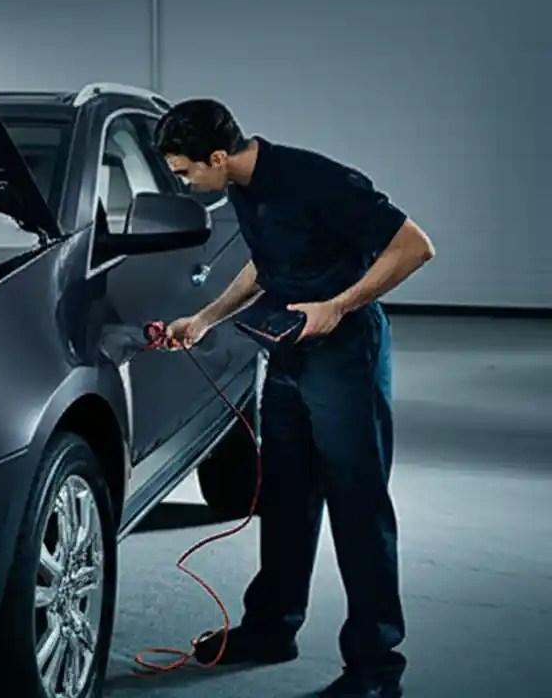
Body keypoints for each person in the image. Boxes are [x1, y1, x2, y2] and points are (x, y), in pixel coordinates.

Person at [154, 99, 435, 698]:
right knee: (283, 497)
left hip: (344, 352)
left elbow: (414, 246)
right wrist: (205, 317)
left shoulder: (317, 180)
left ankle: (376, 667)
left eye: (184, 173)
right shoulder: (244, 189)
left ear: (218, 156)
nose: (183, 184)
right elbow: (264, 263)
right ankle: (270, 629)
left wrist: (339, 304)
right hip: (286, 350)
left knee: (357, 505)